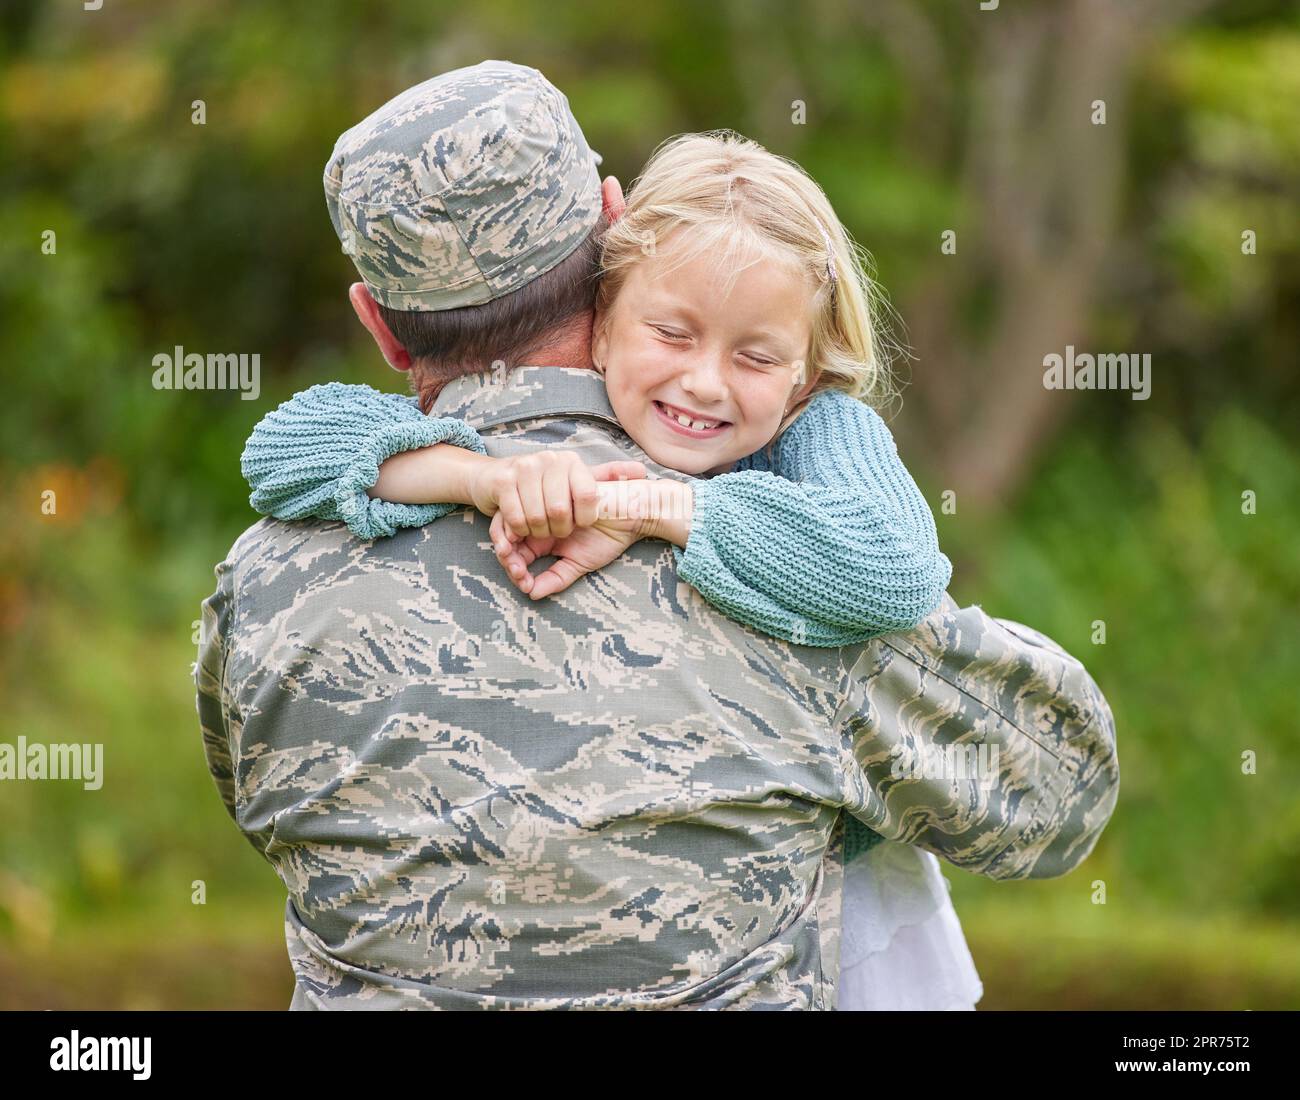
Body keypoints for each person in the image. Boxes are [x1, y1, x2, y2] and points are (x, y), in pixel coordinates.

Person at [196, 60, 1119, 1010]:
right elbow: (1057, 796)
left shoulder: (267, 581)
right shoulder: (794, 583)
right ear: (611, 234)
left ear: (380, 326)